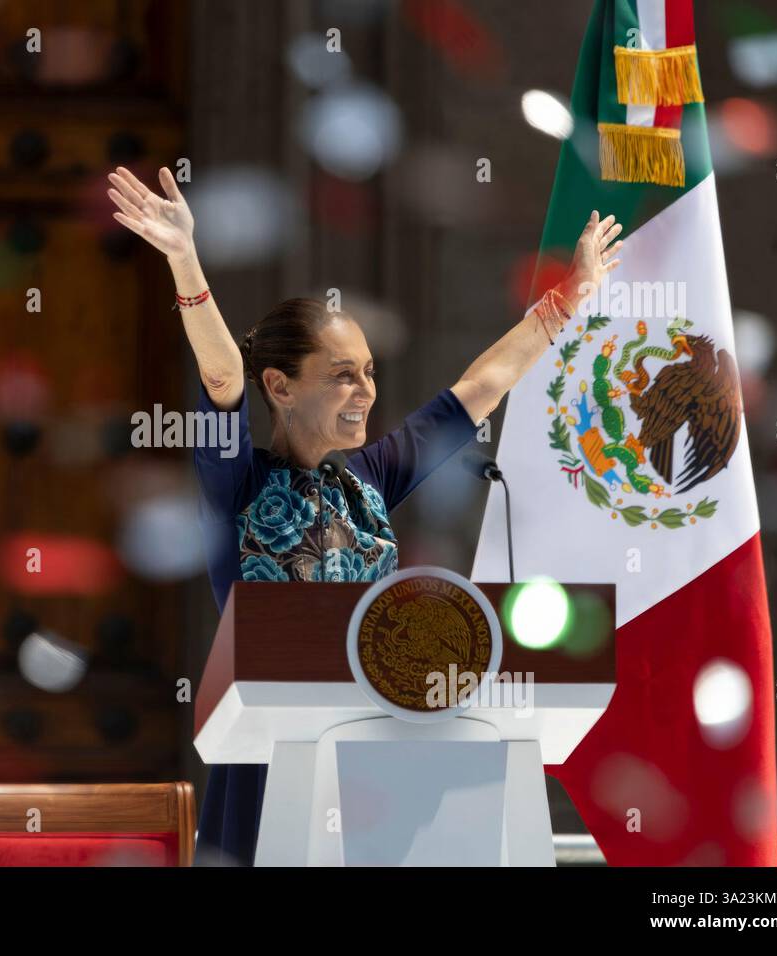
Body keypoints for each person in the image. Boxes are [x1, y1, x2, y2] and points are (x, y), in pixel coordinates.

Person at [108, 165, 623, 866]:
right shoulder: (234, 479)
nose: (363, 391)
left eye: (369, 371)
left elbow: (483, 386)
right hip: (271, 755)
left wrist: (571, 297)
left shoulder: (373, 476)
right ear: (281, 387)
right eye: (342, 373)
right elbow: (223, 374)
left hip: (382, 752)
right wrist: (184, 259)